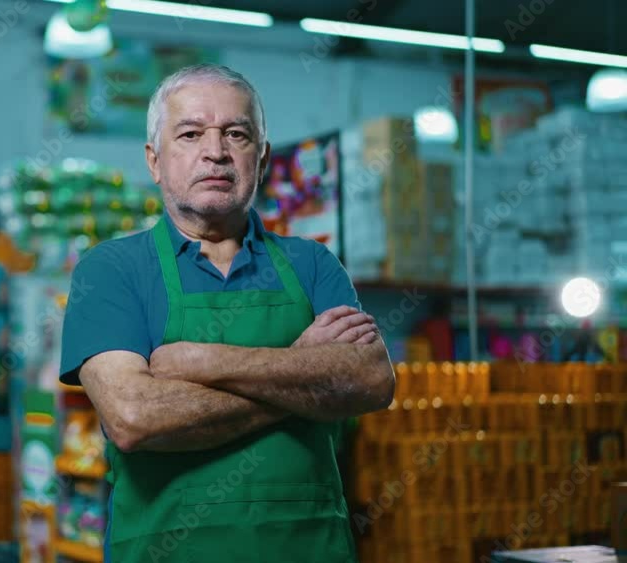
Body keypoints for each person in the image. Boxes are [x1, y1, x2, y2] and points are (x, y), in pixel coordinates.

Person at [59, 64, 395, 563]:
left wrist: (201, 361)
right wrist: (303, 378)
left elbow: (371, 380)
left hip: (308, 549)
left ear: (259, 159)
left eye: (236, 134)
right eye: (190, 133)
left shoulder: (312, 262)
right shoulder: (111, 270)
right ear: (155, 160)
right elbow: (134, 417)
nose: (215, 151)